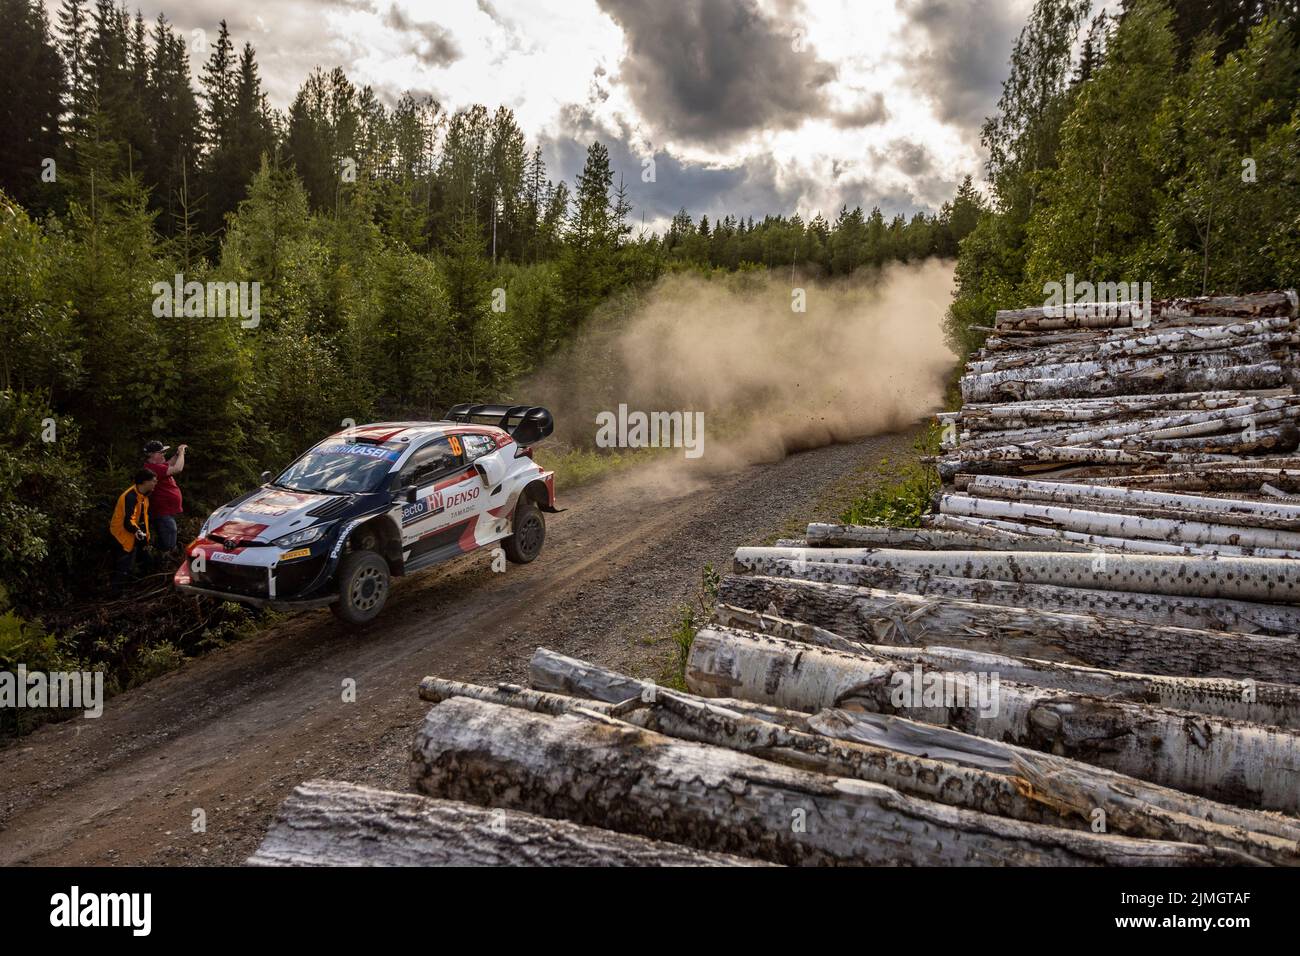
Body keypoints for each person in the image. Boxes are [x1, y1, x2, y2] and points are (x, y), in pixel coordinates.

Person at [110, 469, 157, 594]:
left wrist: (145, 534)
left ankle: (141, 588)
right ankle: (116, 594)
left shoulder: (144, 495)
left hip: (136, 533)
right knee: (123, 566)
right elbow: (128, 521)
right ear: (145, 482)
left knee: (146, 560)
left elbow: (142, 516)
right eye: (153, 481)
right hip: (122, 534)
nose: (155, 482)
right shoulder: (130, 496)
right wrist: (137, 531)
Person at [143, 440, 187, 555]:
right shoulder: (153, 468)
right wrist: (181, 453)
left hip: (167, 510)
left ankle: (165, 558)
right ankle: (163, 560)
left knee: (169, 535)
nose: (163, 454)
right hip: (162, 512)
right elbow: (177, 468)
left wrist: (177, 454)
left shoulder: (157, 466)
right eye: (160, 452)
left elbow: (170, 463)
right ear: (151, 455)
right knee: (168, 542)